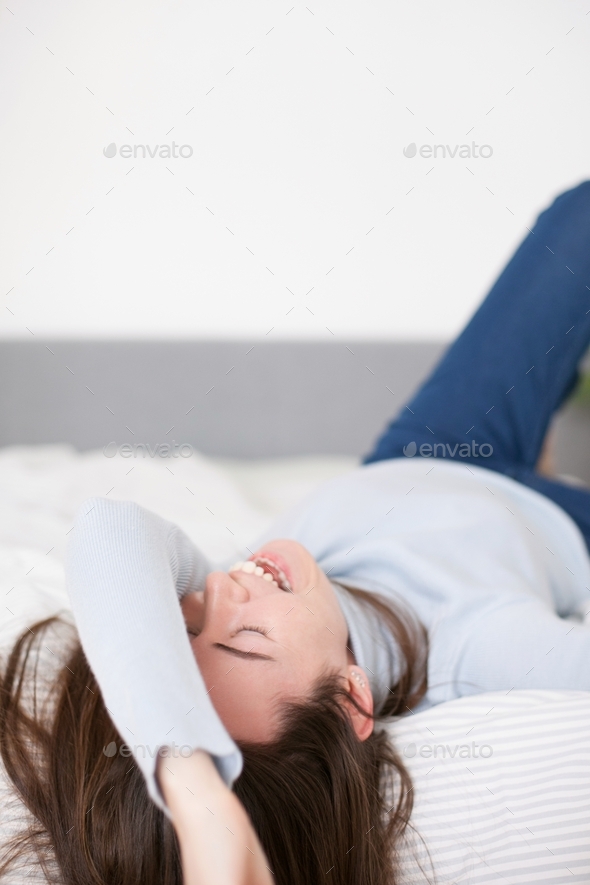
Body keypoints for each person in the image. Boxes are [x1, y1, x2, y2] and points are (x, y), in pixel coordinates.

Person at [1, 180, 590, 884]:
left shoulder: (233, 602)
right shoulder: (478, 648)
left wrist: (190, 780)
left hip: (431, 451)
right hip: (560, 528)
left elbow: (108, 529)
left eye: (178, 619)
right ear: (350, 697)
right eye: (244, 638)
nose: (218, 589)